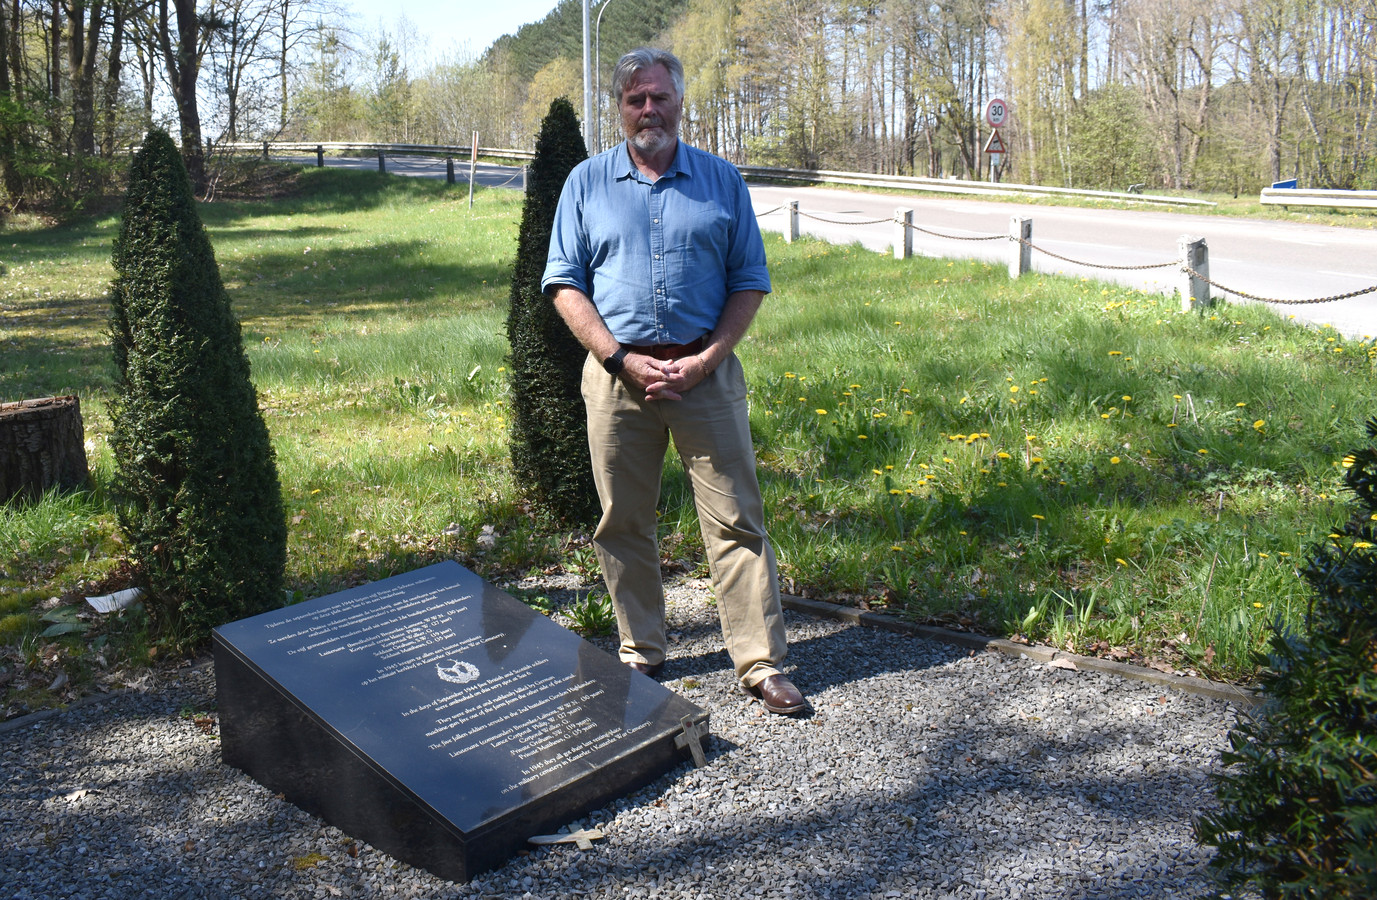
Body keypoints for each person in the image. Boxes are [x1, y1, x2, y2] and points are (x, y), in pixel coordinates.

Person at [542, 47, 806, 716]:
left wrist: (706, 360)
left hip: (705, 377)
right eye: (636, 99)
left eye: (659, 96)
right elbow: (564, 283)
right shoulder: (586, 184)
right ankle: (641, 650)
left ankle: (760, 663)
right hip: (617, 379)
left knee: (737, 521)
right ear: (620, 108)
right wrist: (618, 359)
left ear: (679, 102)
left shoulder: (721, 181)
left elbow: (749, 280)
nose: (649, 109)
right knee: (622, 521)